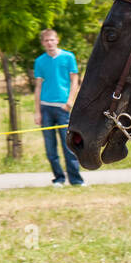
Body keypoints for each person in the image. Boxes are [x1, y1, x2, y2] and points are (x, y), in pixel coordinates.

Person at [32, 29, 85, 187]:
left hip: (64, 108)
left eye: (52, 39)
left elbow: (74, 81)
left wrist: (70, 101)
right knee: (50, 149)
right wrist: (37, 111)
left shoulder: (68, 57)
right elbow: (38, 87)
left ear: (57, 40)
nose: (49, 43)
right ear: (43, 43)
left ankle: (76, 180)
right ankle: (59, 179)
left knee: (69, 146)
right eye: (46, 40)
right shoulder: (40, 61)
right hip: (46, 108)